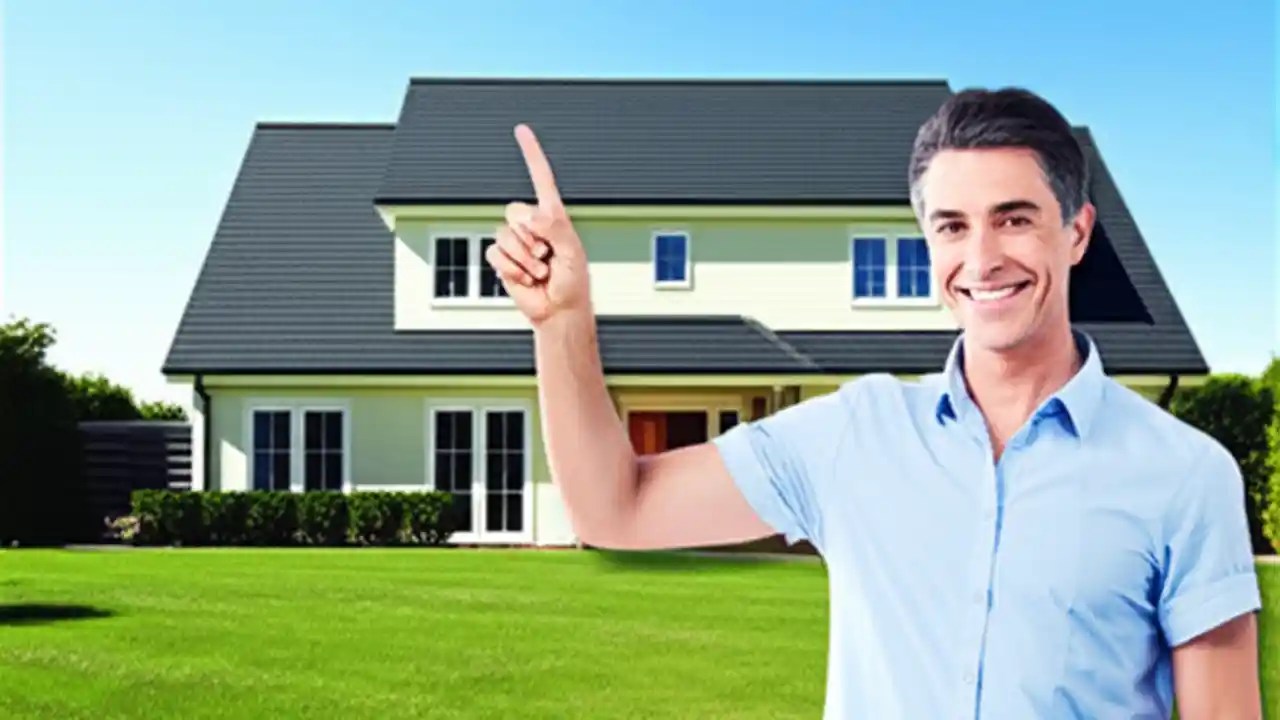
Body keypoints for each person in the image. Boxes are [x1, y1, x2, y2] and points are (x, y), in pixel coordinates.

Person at [484, 87, 1263, 719]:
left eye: (1015, 220)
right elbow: (616, 508)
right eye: (952, 227)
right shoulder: (853, 435)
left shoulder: (1186, 476)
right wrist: (561, 324)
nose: (982, 259)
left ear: (1077, 232)